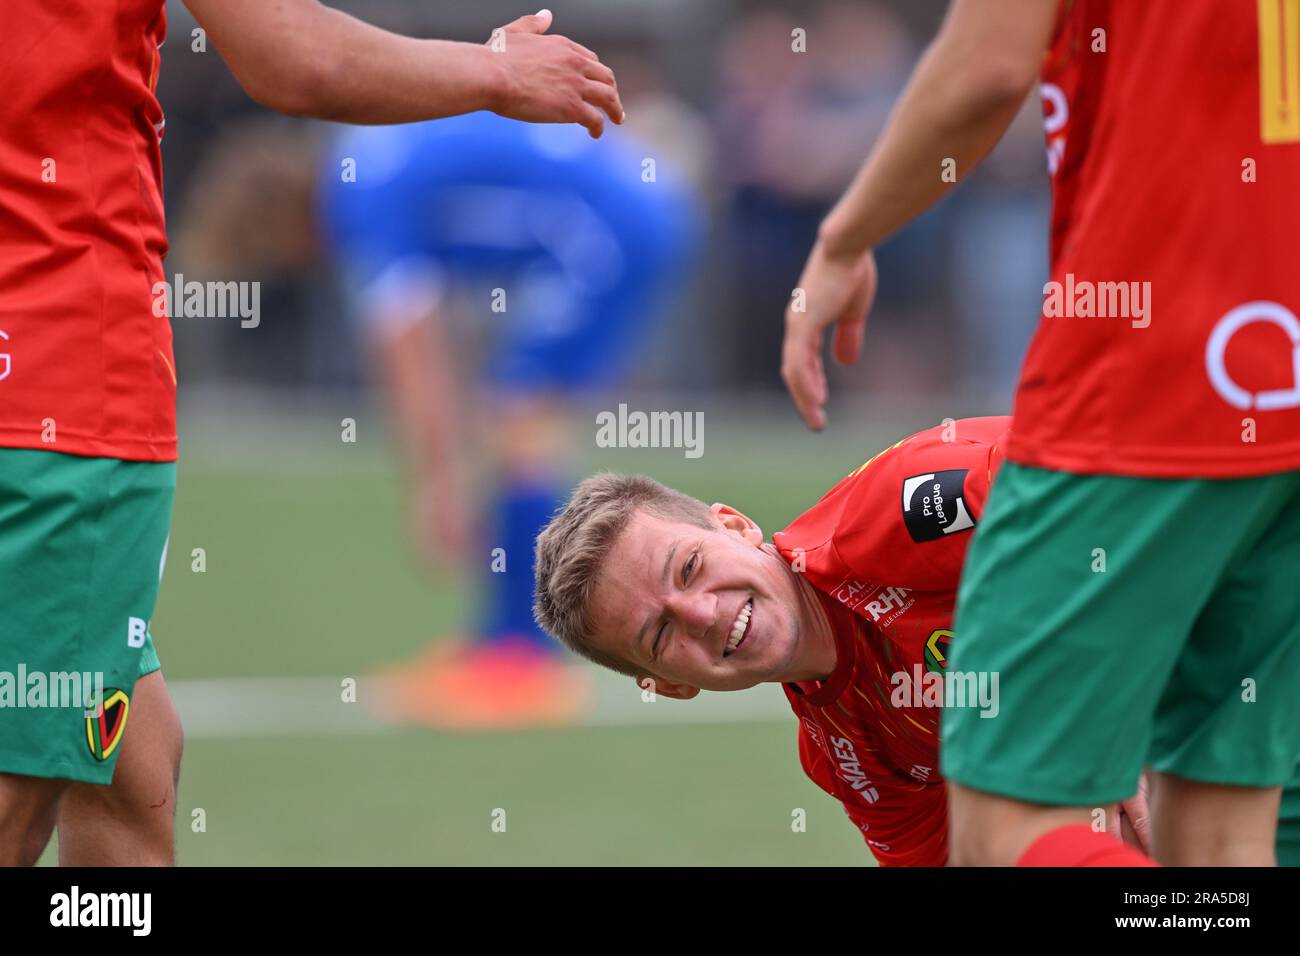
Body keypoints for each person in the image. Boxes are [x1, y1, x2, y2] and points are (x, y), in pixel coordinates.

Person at [0, 0, 622, 866]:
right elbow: (295, 58)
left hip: (33, 363)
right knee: (20, 791)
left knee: (134, 773)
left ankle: (507, 645)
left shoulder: (366, 182)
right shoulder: (365, 188)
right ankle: (509, 649)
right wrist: (497, 69)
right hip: (52, 374)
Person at [779, 0, 1300, 866]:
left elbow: (987, 68)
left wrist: (843, 240)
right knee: (1214, 823)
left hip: (1160, 376)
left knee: (1013, 828)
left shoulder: (897, 508)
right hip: (1276, 369)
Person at [533, 418, 1152, 865]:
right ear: (670, 685)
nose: (701, 613)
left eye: (689, 567)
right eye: (661, 632)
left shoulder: (897, 512)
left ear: (737, 526)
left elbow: (1112, 489)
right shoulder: (846, 758)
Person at [318, 111, 699, 727]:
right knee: (515, 415)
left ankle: (520, 655)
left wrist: (438, 484)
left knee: (521, 422)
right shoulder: (369, 163)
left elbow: (409, 347)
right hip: (620, 221)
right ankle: (503, 645)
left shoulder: (359, 194)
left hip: (610, 234)